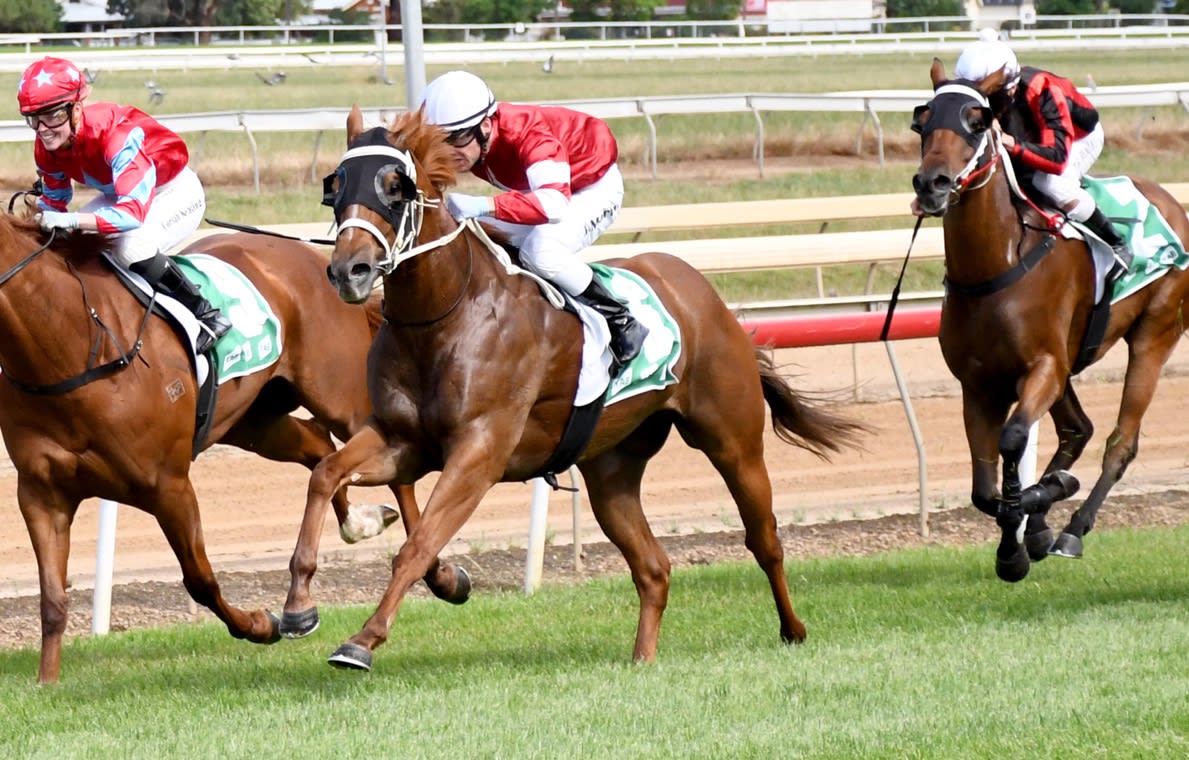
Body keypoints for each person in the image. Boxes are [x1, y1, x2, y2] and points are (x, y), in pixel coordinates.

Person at [419, 70, 648, 373]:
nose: (449, 153)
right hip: (543, 188)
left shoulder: (527, 133)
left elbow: (553, 204)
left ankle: (621, 318)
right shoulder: (475, 141)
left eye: (458, 139)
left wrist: (484, 204)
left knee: (541, 251)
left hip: (591, 187)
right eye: (439, 142)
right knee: (474, 237)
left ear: (486, 126)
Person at [17, 56, 231, 353]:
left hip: (173, 191)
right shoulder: (46, 145)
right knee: (66, 247)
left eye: (52, 116)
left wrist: (72, 221)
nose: (42, 129)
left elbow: (130, 215)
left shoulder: (116, 136)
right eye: (34, 118)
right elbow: (55, 202)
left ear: (76, 108)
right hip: (120, 194)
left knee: (130, 247)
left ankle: (206, 314)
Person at [950, 38, 1133, 273]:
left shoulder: (1043, 90)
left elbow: (1056, 158)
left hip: (1078, 137)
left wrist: (1011, 143)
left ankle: (1115, 242)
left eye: (991, 99)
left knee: (1051, 184)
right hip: (1032, 134)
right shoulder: (995, 90)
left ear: (1009, 88)